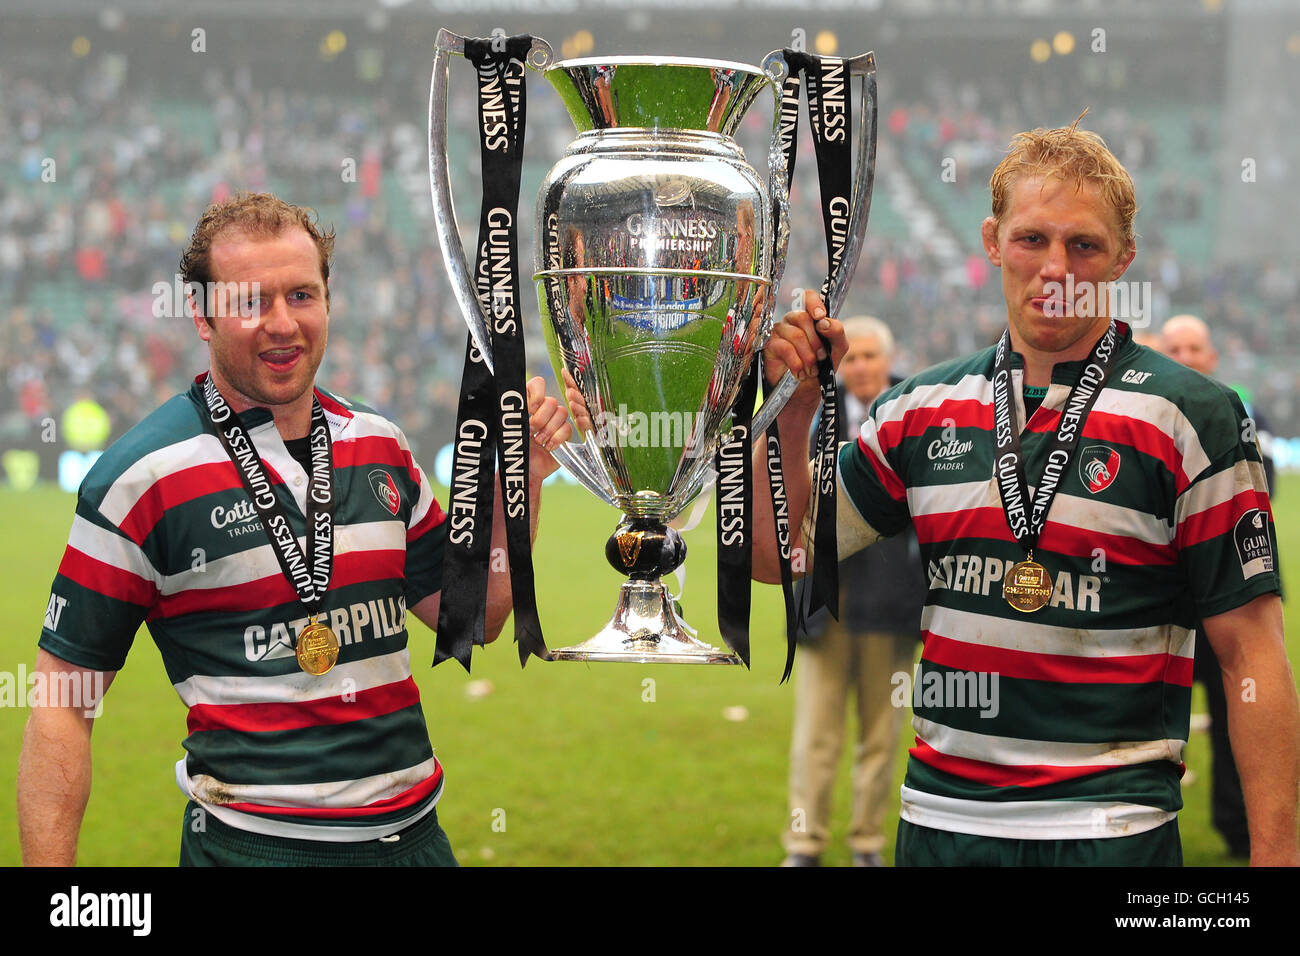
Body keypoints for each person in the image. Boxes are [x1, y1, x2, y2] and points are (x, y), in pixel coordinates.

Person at [755, 123, 1299, 866]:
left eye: (1085, 246)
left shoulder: (1191, 416)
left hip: (1112, 829)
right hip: (940, 826)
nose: (1055, 268)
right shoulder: (921, 407)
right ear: (990, 240)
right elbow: (780, 555)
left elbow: (1252, 656)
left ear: (1124, 258)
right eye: (1031, 239)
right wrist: (792, 417)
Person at [17, 193, 570, 866]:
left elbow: (475, 618)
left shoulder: (382, 445)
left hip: (416, 844)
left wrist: (524, 482)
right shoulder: (141, 479)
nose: (282, 324)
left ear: (328, 301)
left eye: (302, 295)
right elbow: (61, 705)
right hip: (254, 852)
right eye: (252, 302)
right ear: (201, 312)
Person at [782, 316, 927, 868]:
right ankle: (805, 843)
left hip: (894, 607)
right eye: (855, 357)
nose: (862, 366)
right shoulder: (814, 414)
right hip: (826, 606)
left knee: (880, 735)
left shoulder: (919, 417)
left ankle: (866, 841)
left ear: (889, 362)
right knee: (815, 737)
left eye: (872, 357)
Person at [1160, 312, 1278, 859]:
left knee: (1242, 713)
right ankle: (1142, 824)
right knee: (1150, 721)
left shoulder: (1236, 426)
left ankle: (1237, 828)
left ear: (1211, 358)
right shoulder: (1141, 428)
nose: (1184, 357)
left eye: (1194, 348)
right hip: (1160, 615)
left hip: (1228, 608)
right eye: (1174, 348)